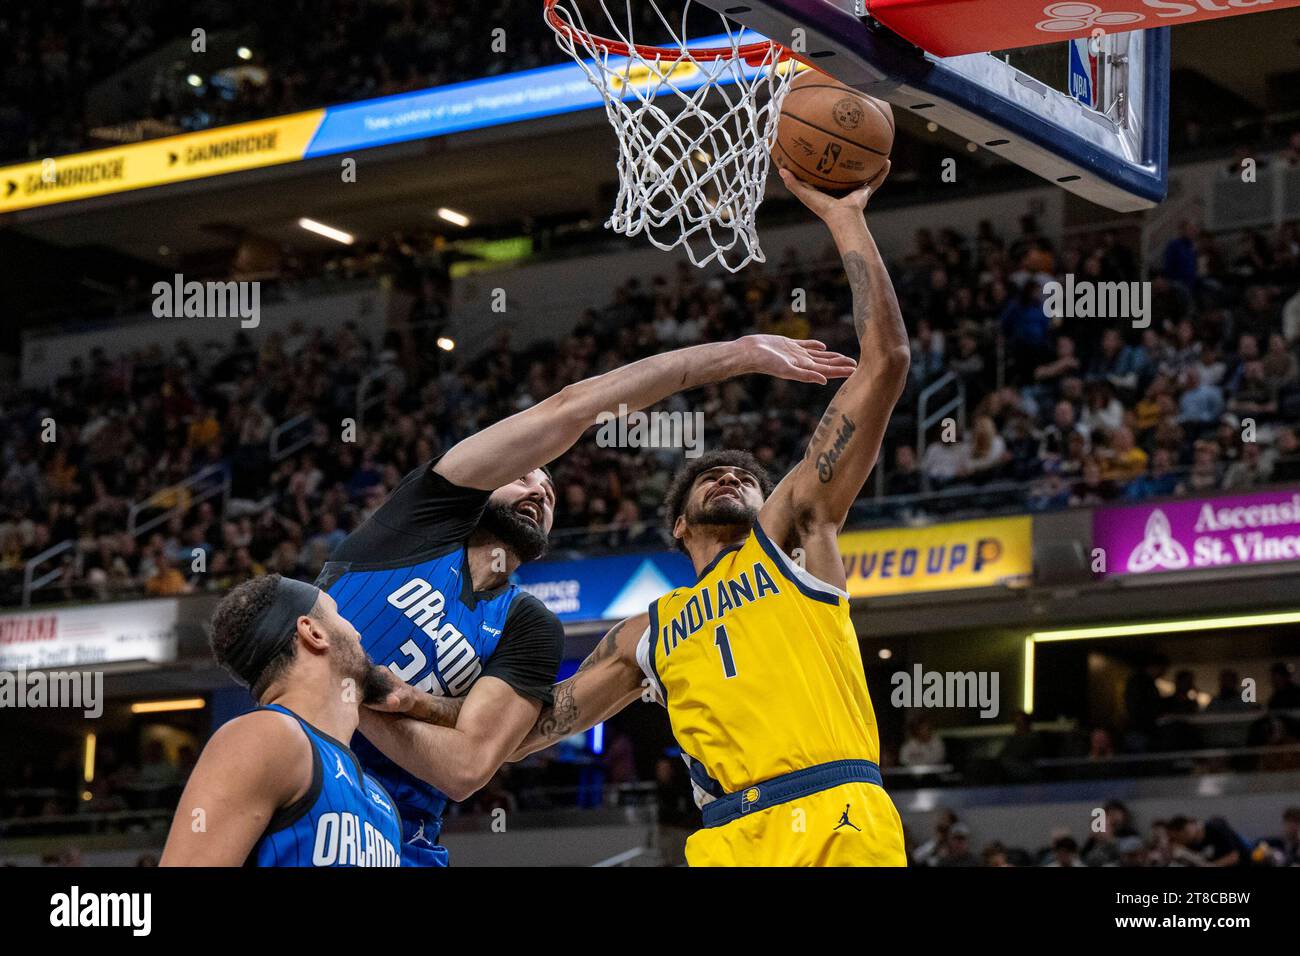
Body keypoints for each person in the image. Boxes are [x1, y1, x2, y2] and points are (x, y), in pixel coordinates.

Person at [373, 165, 909, 865]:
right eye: (709, 475)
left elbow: (887, 361)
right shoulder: (642, 635)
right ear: (679, 525)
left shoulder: (796, 540)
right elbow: (525, 731)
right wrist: (408, 702)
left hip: (837, 813)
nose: (728, 475)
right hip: (724, 840)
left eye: (745, 477)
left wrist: (845, 219)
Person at [350, 333, 855, 866]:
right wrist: (737, 353)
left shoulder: (530, 624)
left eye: (548, 492)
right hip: (301, 760)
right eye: (522, 477)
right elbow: (574, 407)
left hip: (397, 835)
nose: (539, 491)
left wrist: (359, 690)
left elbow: (476, 760)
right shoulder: (415, 521)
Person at [161, 576, 402, 866]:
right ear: (313, 632)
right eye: (338, 614)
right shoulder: (267, 735)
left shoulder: (382, 802)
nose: (358, 633)